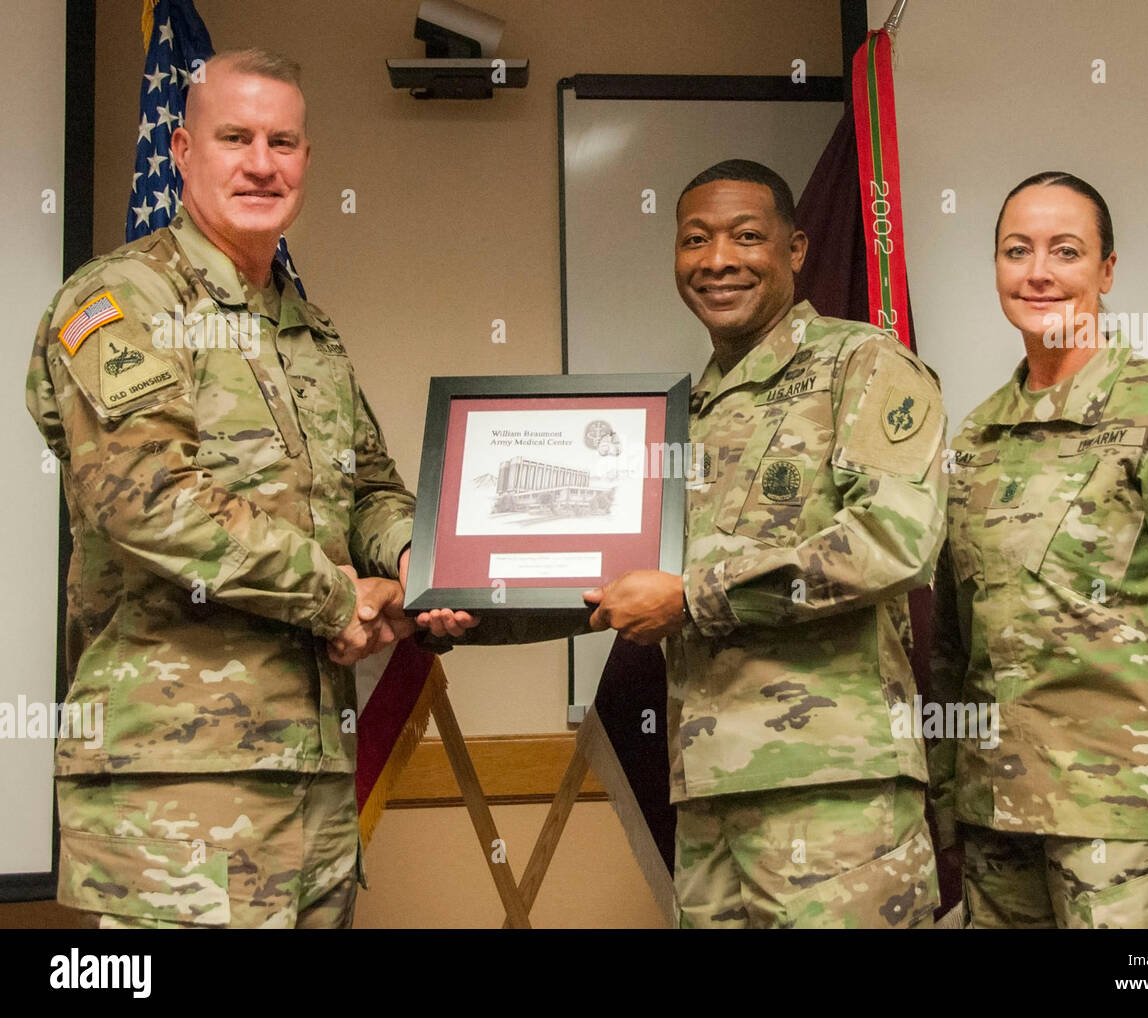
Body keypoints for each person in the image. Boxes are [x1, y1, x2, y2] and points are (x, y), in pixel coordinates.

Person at [424, 160, 949, 928]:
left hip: (832, 790)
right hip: (707, 793)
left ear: (796, 249)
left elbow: (894, 542)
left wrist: (694, 596)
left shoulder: (861, 364)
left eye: (746, 236)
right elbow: (612, 580)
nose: (717, 260)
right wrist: (466, 608)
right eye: (694, 240)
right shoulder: (683, 414)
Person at [26, 49, 417, 928]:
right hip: (177, 790)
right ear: (181, 149)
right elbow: (148, 498)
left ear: (306, 161)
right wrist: (334, 596)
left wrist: (430, 567)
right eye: (234, 137)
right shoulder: (119, 301)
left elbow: (373, 497)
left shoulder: (309, 333)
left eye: (282, 141)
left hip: (314, 783)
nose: (260, 162)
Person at [928, 171, 1148, 929]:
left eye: (1066, 250)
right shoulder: (979, 437)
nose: (1039, 272)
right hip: (1003, 828)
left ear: (1107, 270)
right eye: (1017, 251)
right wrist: (947, 793)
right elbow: (956, 645)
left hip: (1137, 833)